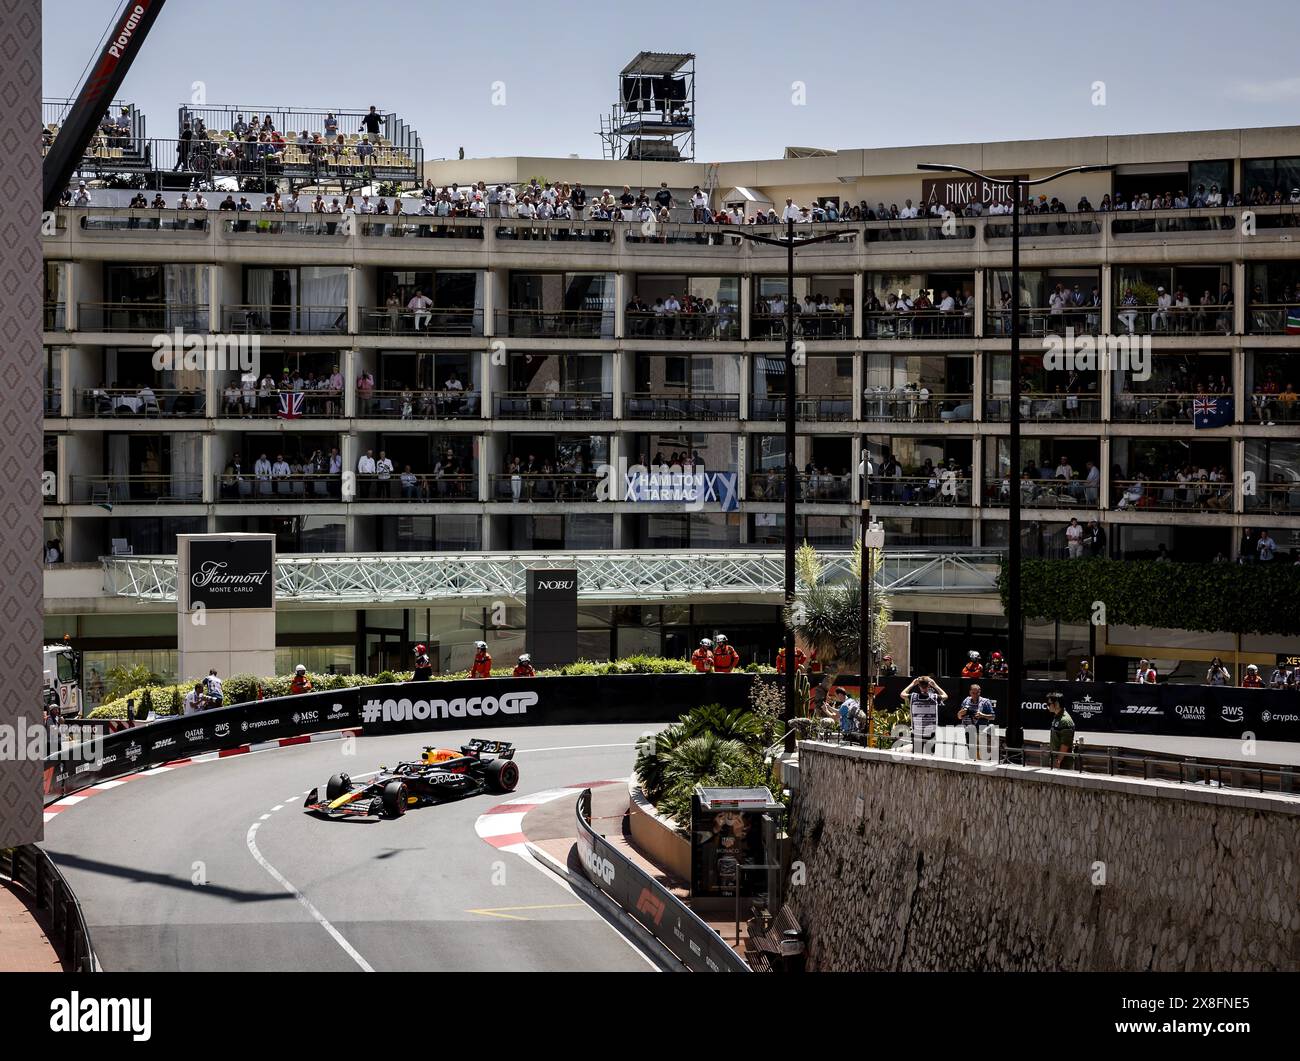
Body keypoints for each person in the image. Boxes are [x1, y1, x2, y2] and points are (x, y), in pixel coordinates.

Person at [900, 675, 945, 752]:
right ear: (929, 685)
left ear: (919, 686)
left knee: (917, 756)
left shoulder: (913, 697)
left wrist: (912, 684)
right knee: (930, 757)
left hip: (917, 731)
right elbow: (945, 696)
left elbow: (902, 694)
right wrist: (935, 685)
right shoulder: (934, 697)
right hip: (930, 732)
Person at [958, 683, 997, 761]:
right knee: (972, 755)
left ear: (980, 692)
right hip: (969, 730)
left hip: (981, 730)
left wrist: (982, 715)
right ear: (970, 692)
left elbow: (993, 717)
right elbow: (959, 716)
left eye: (977, 693)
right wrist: (961, 712)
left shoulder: (985, 702)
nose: (975, 695)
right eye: (973, 693)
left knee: (982, 756)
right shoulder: (966, 700)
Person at [1046, 691, 1075, 768]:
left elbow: (1065, 744)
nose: (1047, 706)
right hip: (1056, 760)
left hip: (1063, 763)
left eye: (1049, 704)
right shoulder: (1057, 717)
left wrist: (1058, 761)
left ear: (1057, 704)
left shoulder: (1065, 721)